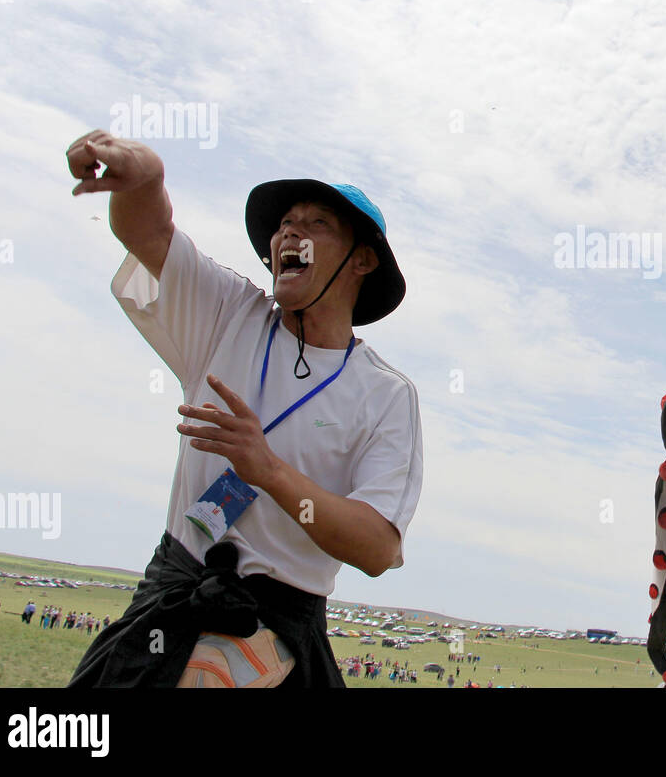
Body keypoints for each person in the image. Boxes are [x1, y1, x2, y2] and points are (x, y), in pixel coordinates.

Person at [64, 130, 424, 688]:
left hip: (277, 631)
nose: (289, 231)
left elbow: (377, 547)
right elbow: (147, 233)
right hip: (170, 600)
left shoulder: (385, 395)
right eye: (285, 223)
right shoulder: (229, 312)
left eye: (316, 223)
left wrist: (269, 471)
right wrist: (147, 180)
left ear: (363, 261)